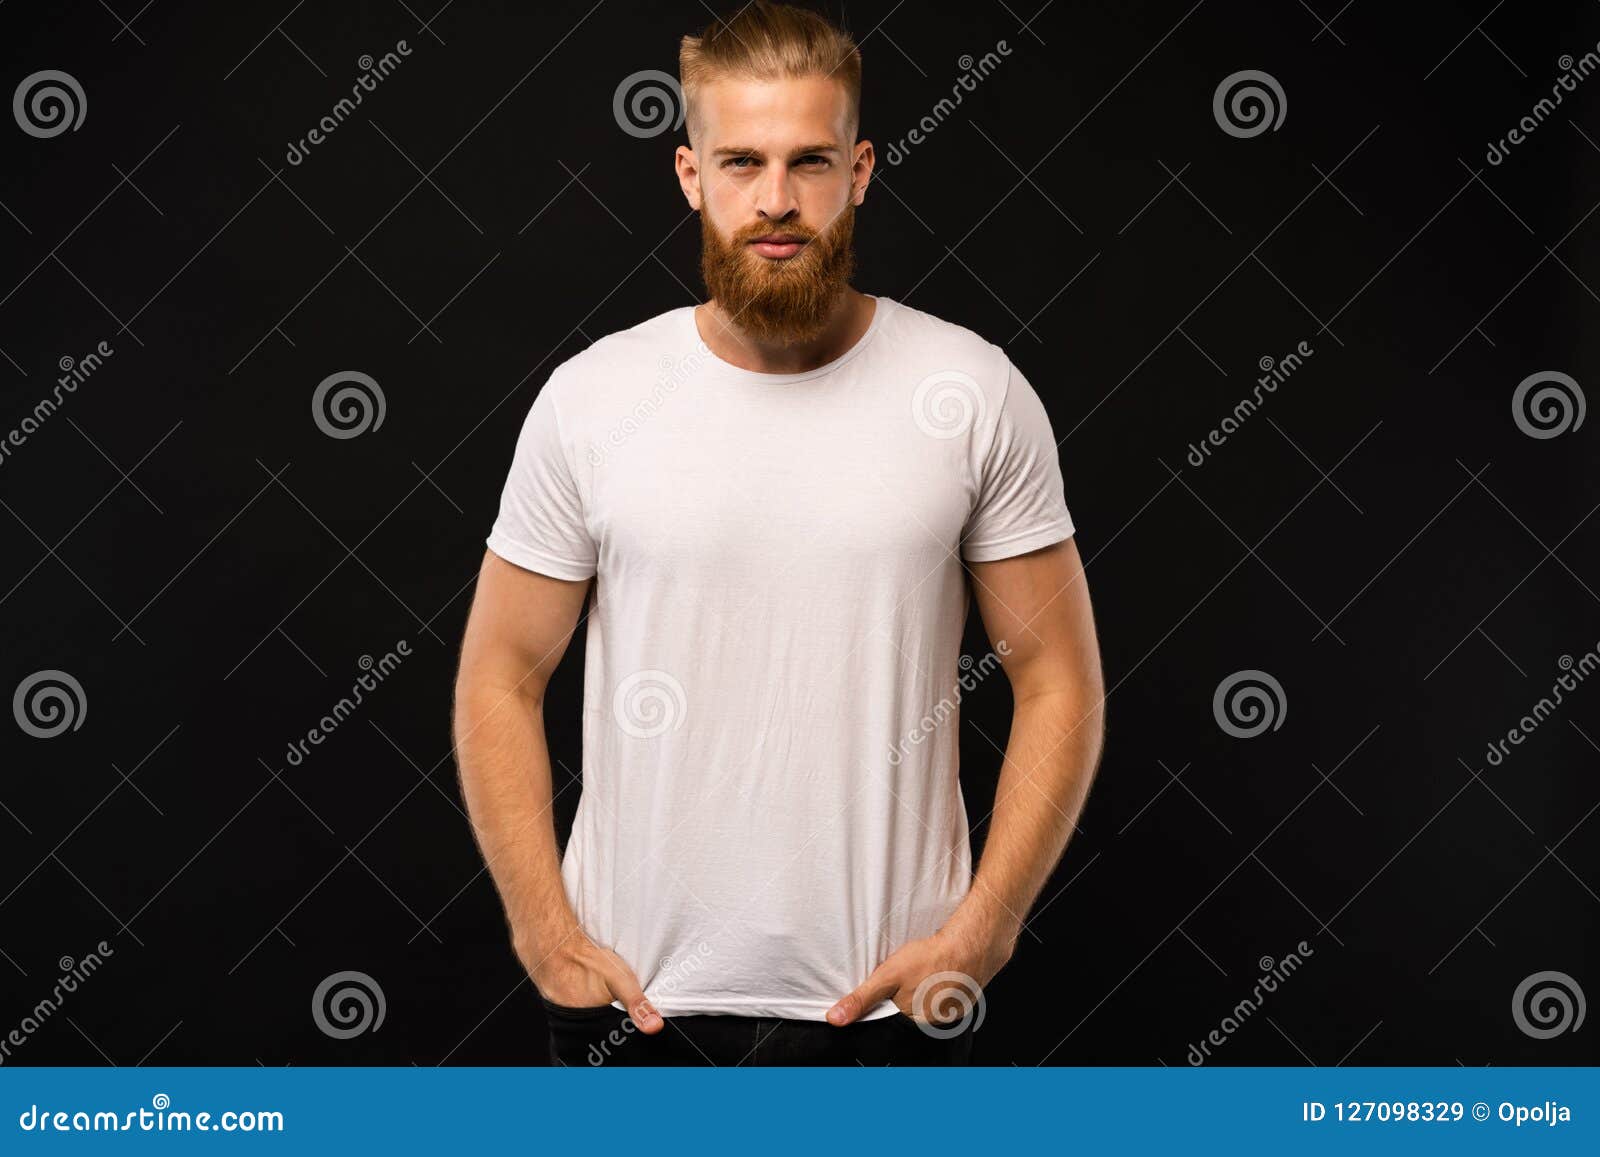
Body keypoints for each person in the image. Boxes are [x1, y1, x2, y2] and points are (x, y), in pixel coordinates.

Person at [452, 0, 1105, 1067]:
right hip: (634, 1010)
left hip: (889, 1013)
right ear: (690, 175)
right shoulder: (592, 398)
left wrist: (983, 931)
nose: (776, 200)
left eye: (809, 161)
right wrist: (544, 933)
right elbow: (499, 672)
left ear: (860, 171)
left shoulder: (971, 390)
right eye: (742, 161)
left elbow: (1057, 678)